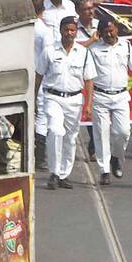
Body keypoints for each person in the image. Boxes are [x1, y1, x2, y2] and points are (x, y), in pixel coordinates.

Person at [33, 15, 95, 189]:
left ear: (76, 32)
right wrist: (33, 99)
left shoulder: (83, 53)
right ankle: (53, 172)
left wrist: (89, 104)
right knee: (55, 130)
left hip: (74, 100)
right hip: (53, 98)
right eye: (66, 29)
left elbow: (89, 80)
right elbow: (39, 74)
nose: (69, 33)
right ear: (60, 31)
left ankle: (63, 174)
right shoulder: (50, 51)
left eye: (72, 30)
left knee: (70, 137)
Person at [88, 14, 132, 185]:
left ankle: (116, 157)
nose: (109, 34)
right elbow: (89, 78)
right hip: (100, 95)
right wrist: (89, 101)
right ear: (99, 33)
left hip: (121, 96)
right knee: (101, 134)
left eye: (111, 30)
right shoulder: (94, 49)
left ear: (116, 29)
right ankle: (104, 170)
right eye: (105, 32)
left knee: (122, 132)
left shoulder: (126, 46)